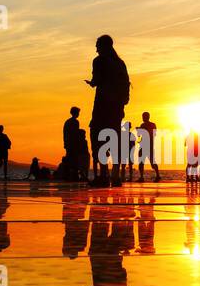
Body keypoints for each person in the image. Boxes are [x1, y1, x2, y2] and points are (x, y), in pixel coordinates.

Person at [85, 34, 130, 186]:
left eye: (97, 45)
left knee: (99, 138)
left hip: (102, 105)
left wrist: (92, 83)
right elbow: (126, 84)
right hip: (116, 108)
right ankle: (115, 176)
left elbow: (97, 80)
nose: (96, 49)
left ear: (103, 46)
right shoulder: (120, 63)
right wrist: (123, 103)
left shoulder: (99, 61)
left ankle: (103, 175)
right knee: (114, 139)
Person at [62, 106, 87, 181]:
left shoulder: (67, 122)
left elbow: (65, 133)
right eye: (78, 113)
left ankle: (67, 175)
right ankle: (74, 176)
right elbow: (75, 133)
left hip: (68, 143)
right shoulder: (75, 122)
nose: (78, 114)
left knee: (69, 159)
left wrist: (65, 143)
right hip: (73, 144)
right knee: (74, 160)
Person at [137, 111, 160, 182]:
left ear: (147, 117)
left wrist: (142, 130)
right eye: (142, 117)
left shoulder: (152, 125)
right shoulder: (142, 125)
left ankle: (158, 175)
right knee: (141, 162)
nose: (143, 118)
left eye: (144, 117)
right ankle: (141, 177)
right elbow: (139, 135)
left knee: (152, 163)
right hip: (143, 145)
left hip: (149, 146)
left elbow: (153, 134)